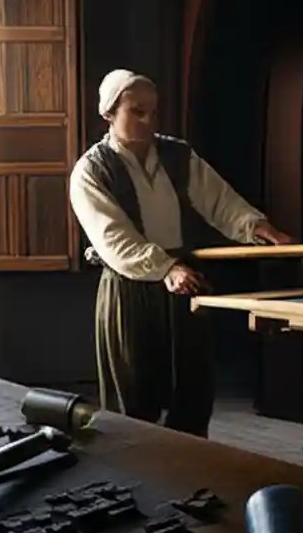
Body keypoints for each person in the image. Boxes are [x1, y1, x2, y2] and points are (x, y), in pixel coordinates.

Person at [69, 69, 291, 437]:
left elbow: (220, 201)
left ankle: (190, 464)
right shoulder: (91, 171)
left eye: (153, 112)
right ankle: (134, 465)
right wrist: (166, 268)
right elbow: (113, 238)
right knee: (133, 398)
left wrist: (259, 229)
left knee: (192, 391)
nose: (148, 121)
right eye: (136, 111)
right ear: (108, 112)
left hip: (184, 282)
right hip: (129, 288)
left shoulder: (177, 155)